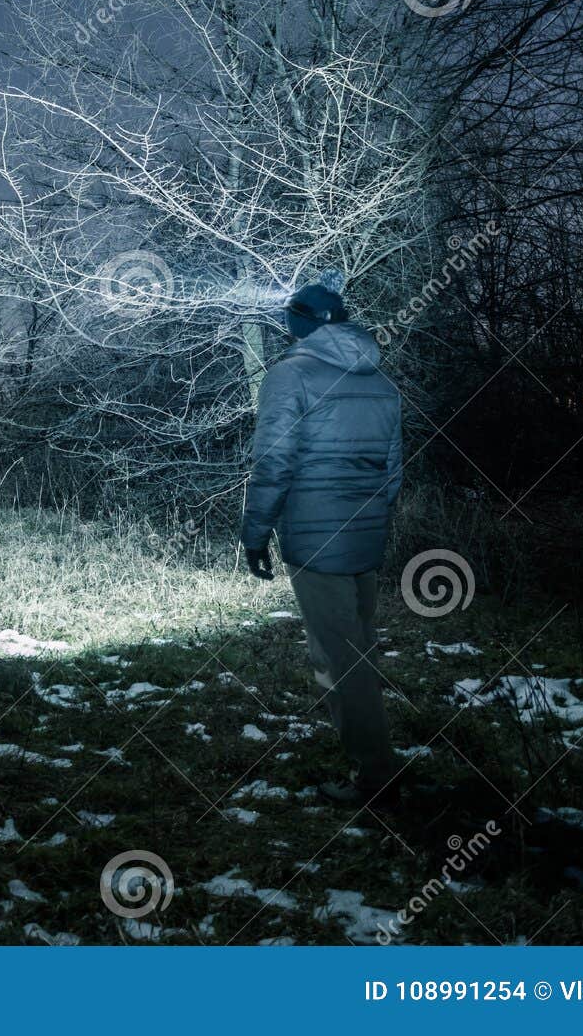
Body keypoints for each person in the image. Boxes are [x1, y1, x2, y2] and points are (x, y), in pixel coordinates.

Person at [242, 284, 404, 806]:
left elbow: (273, 463)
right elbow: (393, 472)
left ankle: (376, 775)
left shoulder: (290, 376)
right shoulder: (380, 380)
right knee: (359, 643)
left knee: (339, 658)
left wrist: (255, 532)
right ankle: (374, 751)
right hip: (365, 534)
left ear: (300, 325)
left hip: (316, 538)